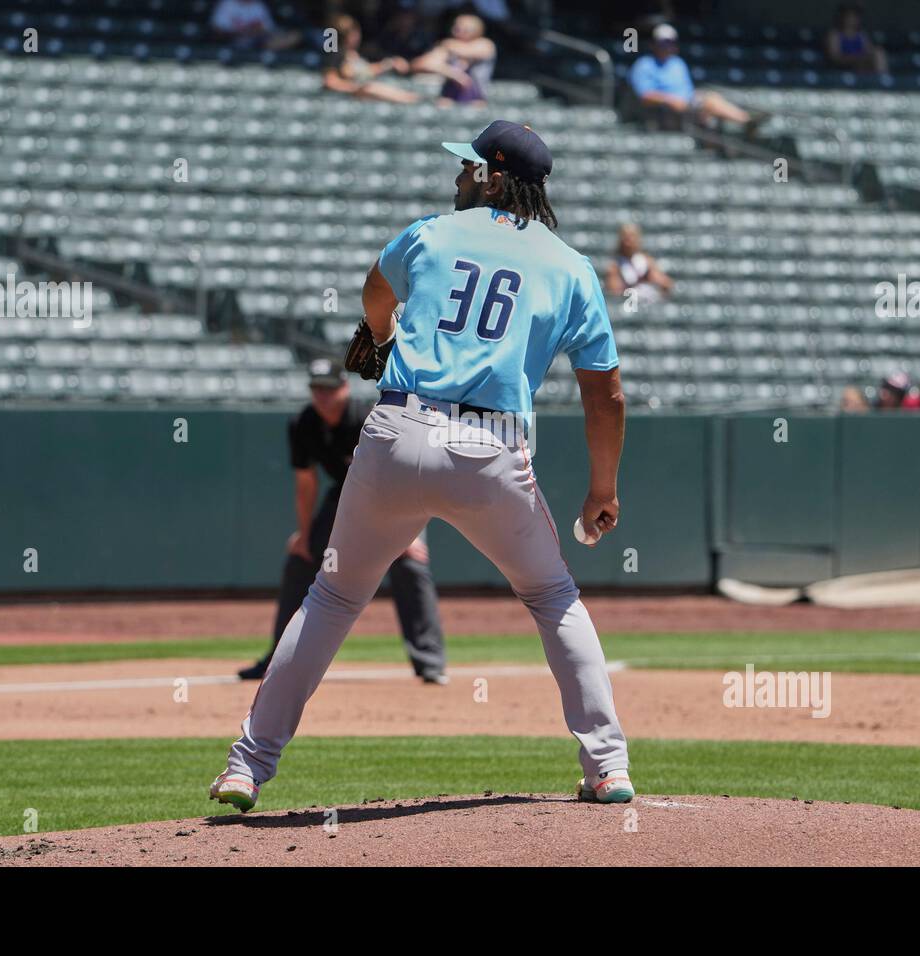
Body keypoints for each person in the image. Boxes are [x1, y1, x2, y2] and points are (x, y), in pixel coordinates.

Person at [210, 120, 634, 812]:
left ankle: (247, 765)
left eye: (470, 166)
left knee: (333, 598)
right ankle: (608, 768)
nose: (459, 176)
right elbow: (605, 394)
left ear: (495, 176)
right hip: (490, 449)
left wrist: (373, 344)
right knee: (553, 597)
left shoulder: (433, 233)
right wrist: (603, 488)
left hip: (397, 431)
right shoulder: (571, 266)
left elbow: (376, 295)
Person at [235, 358, 447, 684]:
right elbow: (306, 483)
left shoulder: (369, 419)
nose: (322, 396)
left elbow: (409, 474)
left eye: (329, 389)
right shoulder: (303, 424)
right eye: (316, 389)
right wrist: (305, 536)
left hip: (396, 496)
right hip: (347, 497)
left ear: (345, 388)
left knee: (410, 564)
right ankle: (277, 660)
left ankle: (430, 662)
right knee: (300, 559)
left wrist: (409, 536)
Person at [629, 23, 765, 136]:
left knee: (711, 109)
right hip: (666, 111)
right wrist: (670, 100)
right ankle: (745, 121)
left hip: (689, 107)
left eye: (670, 42)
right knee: (710, 101)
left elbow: (688, 90)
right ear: (653, 44)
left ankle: (733, 138)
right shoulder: (644, 64)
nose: (667, 47)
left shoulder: (678, 63)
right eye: (663, 43)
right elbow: (645, 96)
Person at [322, 14, 419, 104]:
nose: (358, 36)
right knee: (371, 88)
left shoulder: (355, 54)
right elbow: (330, 81)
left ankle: (414, 100)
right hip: (351, 97)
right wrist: (355, 88)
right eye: (354, 32)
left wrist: (388, 64)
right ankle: (411, 101)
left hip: (364, 93)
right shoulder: (336, 55)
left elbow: (367, 70)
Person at [410, 13, 497, 107]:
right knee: (442, 104)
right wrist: (453, 74)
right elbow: (421, 64)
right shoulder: (447, 47)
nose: (458, 31)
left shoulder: (485, 44)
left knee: (477, 106)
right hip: (449, 99)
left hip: (475, 100)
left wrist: (446, 45)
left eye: (465, 28)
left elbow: (466, 51)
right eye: (457, 27)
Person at [604, 223, 673, 305]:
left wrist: (651, 278)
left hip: (647, 306)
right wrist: (635, 283)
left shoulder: (647, 261)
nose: (629, 240)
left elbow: (666, 284)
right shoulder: (615, 265)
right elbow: (614, 292)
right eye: (626, 237)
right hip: (627, 307)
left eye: (632, 236)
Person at [210, 0, 300, 51]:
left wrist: (255, 30)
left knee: (294, 35)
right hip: (233, 40)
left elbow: (268, 29)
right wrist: (244, 30)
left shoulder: (258, 5)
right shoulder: (228, 4)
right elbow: (217, 28)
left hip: (257, 42)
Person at [825, 4, 889, 74]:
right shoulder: (834, 34)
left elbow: (869, 51)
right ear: (842, 18)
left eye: (854, 17)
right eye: (849, 17)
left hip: (862, 63)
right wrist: (855, 58)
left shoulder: (861, 35)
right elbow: (835, 57)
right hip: (845, 65)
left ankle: (883, 79)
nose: (851, 20)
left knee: (879, 51)